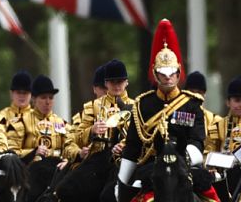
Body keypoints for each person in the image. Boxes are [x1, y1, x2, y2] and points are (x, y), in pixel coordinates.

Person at [116, 21, 207, 202]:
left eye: (172, 72)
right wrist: (121, 182)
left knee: (214, 188)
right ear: (155, 73)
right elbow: (133, 146)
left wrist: (180, 158)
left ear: (178, 72)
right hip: (151, 165)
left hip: (185, 163)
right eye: (163, 73)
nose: (168, 77)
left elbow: (197, 141)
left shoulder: (191, 104)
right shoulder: (142, 104)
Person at [68, 60, 131, 162]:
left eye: (120, 81)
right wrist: (91, 131)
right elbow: (76, 138)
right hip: (98, 161)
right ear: (106, 83)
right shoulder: (93, 106)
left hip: (127, 158)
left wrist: (124, 145)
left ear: (126, 82)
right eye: (112, 82)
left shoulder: (136, 105)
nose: (116, 86)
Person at [0, 71, 39, 158]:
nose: (22, 96)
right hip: (7, 162)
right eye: (19, 92)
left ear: (31, 95)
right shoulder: (1, 116)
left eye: (25, 93)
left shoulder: (38, 117)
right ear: (11, 94)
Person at [29, 76, 67, 163]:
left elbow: (70, 146)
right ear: (34, 99)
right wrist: (33, 153)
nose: (47, 102)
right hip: (30, 170)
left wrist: (66, 161)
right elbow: (13, 150)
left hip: (56, 170)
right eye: (43, 97)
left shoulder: (62, 123)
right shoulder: (22, 121)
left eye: (51, 98)